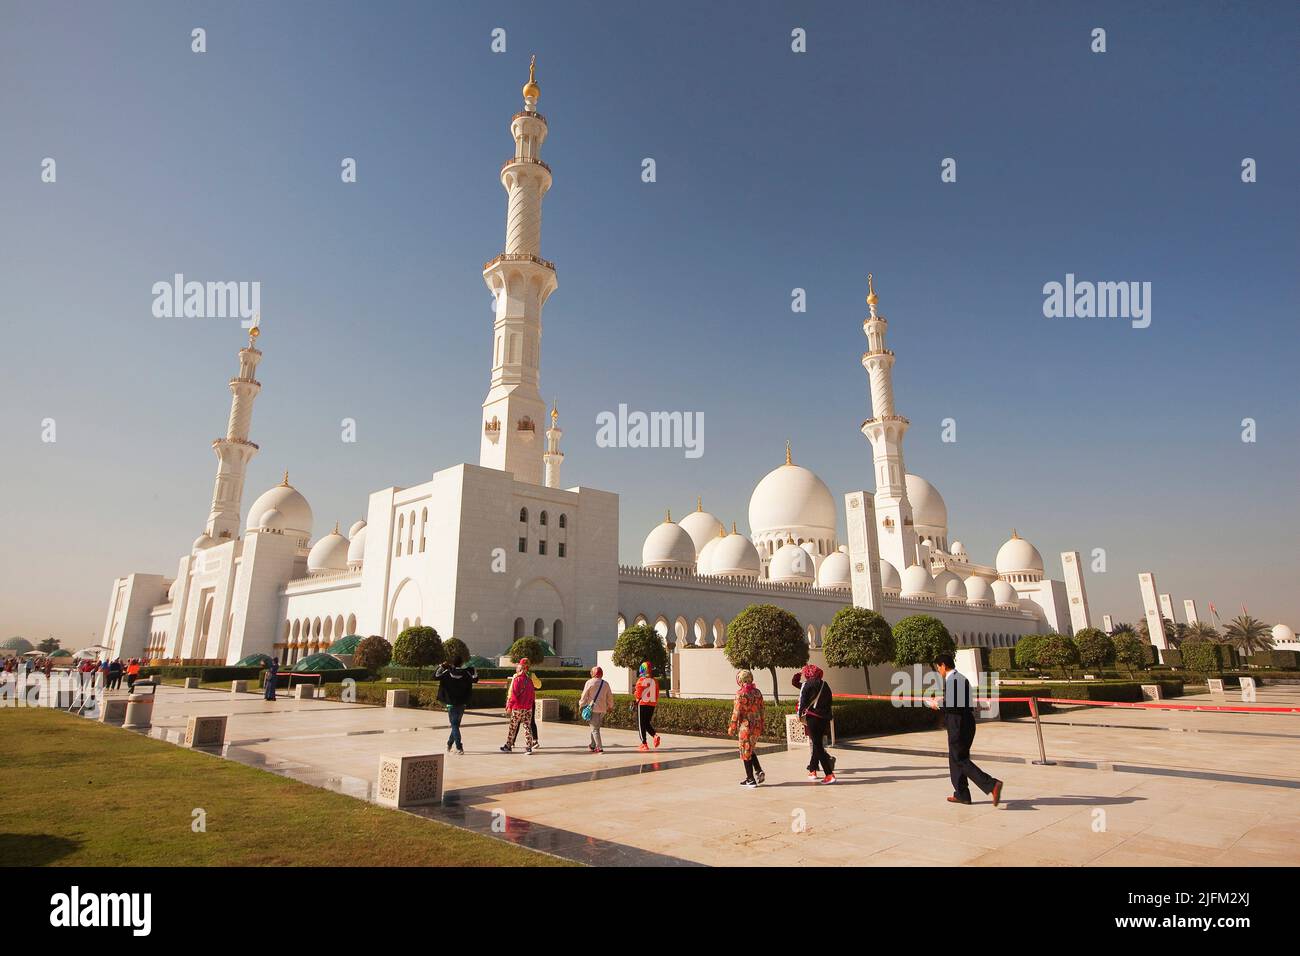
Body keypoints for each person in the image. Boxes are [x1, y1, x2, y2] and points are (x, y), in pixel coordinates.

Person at [928, 653, 1003, 806]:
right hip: (965, 721)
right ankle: (962, 794)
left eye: (938, 667)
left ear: (943, 665)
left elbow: (954, 704)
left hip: (958, 723)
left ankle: (991, 784)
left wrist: (937, 704)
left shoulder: (953, 680)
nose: (938, 670)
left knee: (959, 759)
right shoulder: (959, 678)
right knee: (955, 758)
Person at [797, 663, 836, 784]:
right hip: (824, 718)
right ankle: (813, 769)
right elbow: (830, 701)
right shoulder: (825, 684)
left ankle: (829, 774)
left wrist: (799, 715)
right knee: (817, 744)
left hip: (813, 718)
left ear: (808, 673)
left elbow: (802, 701)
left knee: (818, 746)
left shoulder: (807, 685)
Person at [728, 669, 766, 787]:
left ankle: (751, 779)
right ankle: (758, 771)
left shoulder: (741, 694)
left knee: (745, 750)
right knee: (750, 749)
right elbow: (762, 709)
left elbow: (736, 712)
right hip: (757, 725)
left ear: (740, 680)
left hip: (746, 726)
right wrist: (762, 723)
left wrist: (732, 727)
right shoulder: (757, 692)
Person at [434, 653, 478, 754]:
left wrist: (441, 666)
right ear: (462, 663)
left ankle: (459, 747)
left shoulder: (447, 673)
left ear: (452, 663)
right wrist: (474, 669)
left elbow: (435, 676)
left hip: (451, 703)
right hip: (462, 703)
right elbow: (475, 679)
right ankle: (449, 743)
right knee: (456, 725)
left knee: (454, 725)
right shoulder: (466, 673)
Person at [500, 658, 537, 754]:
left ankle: (508, 746)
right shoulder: (529, 681)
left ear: (520, 669)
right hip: (528, 709)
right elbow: (533, 696)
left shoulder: (517, 680)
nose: (516, 668)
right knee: (527, 727)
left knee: (513, 727)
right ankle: (529, 747)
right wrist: (529, 706)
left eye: (518, 667)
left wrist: (509, 707)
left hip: (517, 708)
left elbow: (513, 695)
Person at [578, 665, 613, 753]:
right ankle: (592, 745)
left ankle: (599, 747)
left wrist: (581, 704)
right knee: (595, 727)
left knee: (594, 729)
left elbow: (584, 695)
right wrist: (610, 706)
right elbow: (610, 697)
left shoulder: (589, 682)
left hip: (593, 709)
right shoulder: (605, 683)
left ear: (594, 673)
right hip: (602, 709)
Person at [633, 661, 660, 751]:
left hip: (643, 704)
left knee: (641, 724)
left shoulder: (641, 680)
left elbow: (638, 693)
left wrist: (636, 698)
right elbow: (657, 693)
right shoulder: (655, 681)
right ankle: (655, 736)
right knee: (646, 723)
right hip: (651, 704)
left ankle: (644, 743)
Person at [528, 668, 543, 749]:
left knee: (517, 722)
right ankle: (534, 741)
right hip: (530, 701)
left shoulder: (516, 676)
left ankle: (511, 742)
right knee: (531, 721)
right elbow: (539, 685)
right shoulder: (531, 675)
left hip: (520, 703)